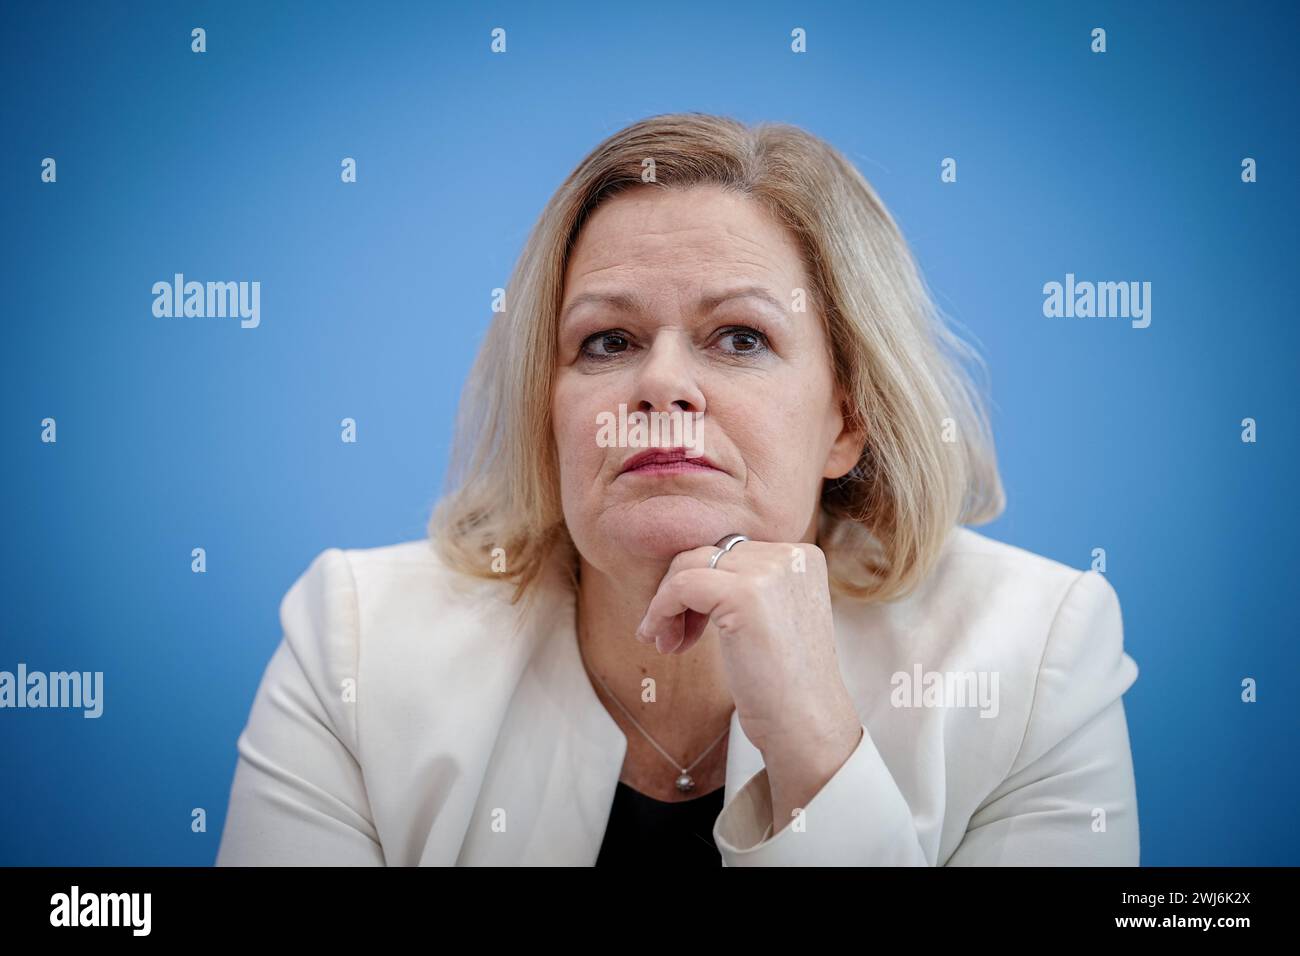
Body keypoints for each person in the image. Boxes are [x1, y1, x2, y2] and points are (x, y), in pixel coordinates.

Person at [215, 112, 1139, 866]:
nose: (661, 384)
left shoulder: (1035, 660)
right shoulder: (356, 642)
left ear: (846, 420)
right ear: (548, 411)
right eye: (607, 342)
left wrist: (820, 755)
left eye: (740, 337)